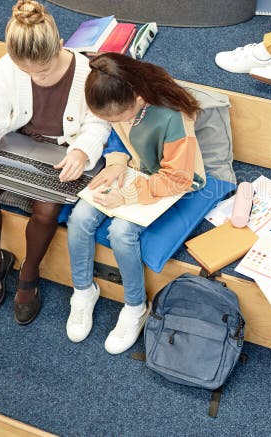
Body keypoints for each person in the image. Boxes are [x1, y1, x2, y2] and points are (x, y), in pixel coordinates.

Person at [0, 0, 110, 325]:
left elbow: (99, 123)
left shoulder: (87, 72)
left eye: (43, 69)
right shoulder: (7, 66)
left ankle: (29, 272)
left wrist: (82, 152)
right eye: (27, 70)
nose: (36, 77)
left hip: (61, 151)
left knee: (46, 206)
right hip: (16, 141)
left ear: (59, 44)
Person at [65, 53, 206, 354]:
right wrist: (115, 163)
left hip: (168, 183)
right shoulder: (119, 97)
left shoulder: (173, 116)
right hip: (132, 171)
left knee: (121, 233)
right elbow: (118, 137)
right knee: (79, 219)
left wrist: (127, 196)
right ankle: (83, 291)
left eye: (117, 118)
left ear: (140, 98)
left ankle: (135, 306)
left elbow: (179, 178)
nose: (114, 123)